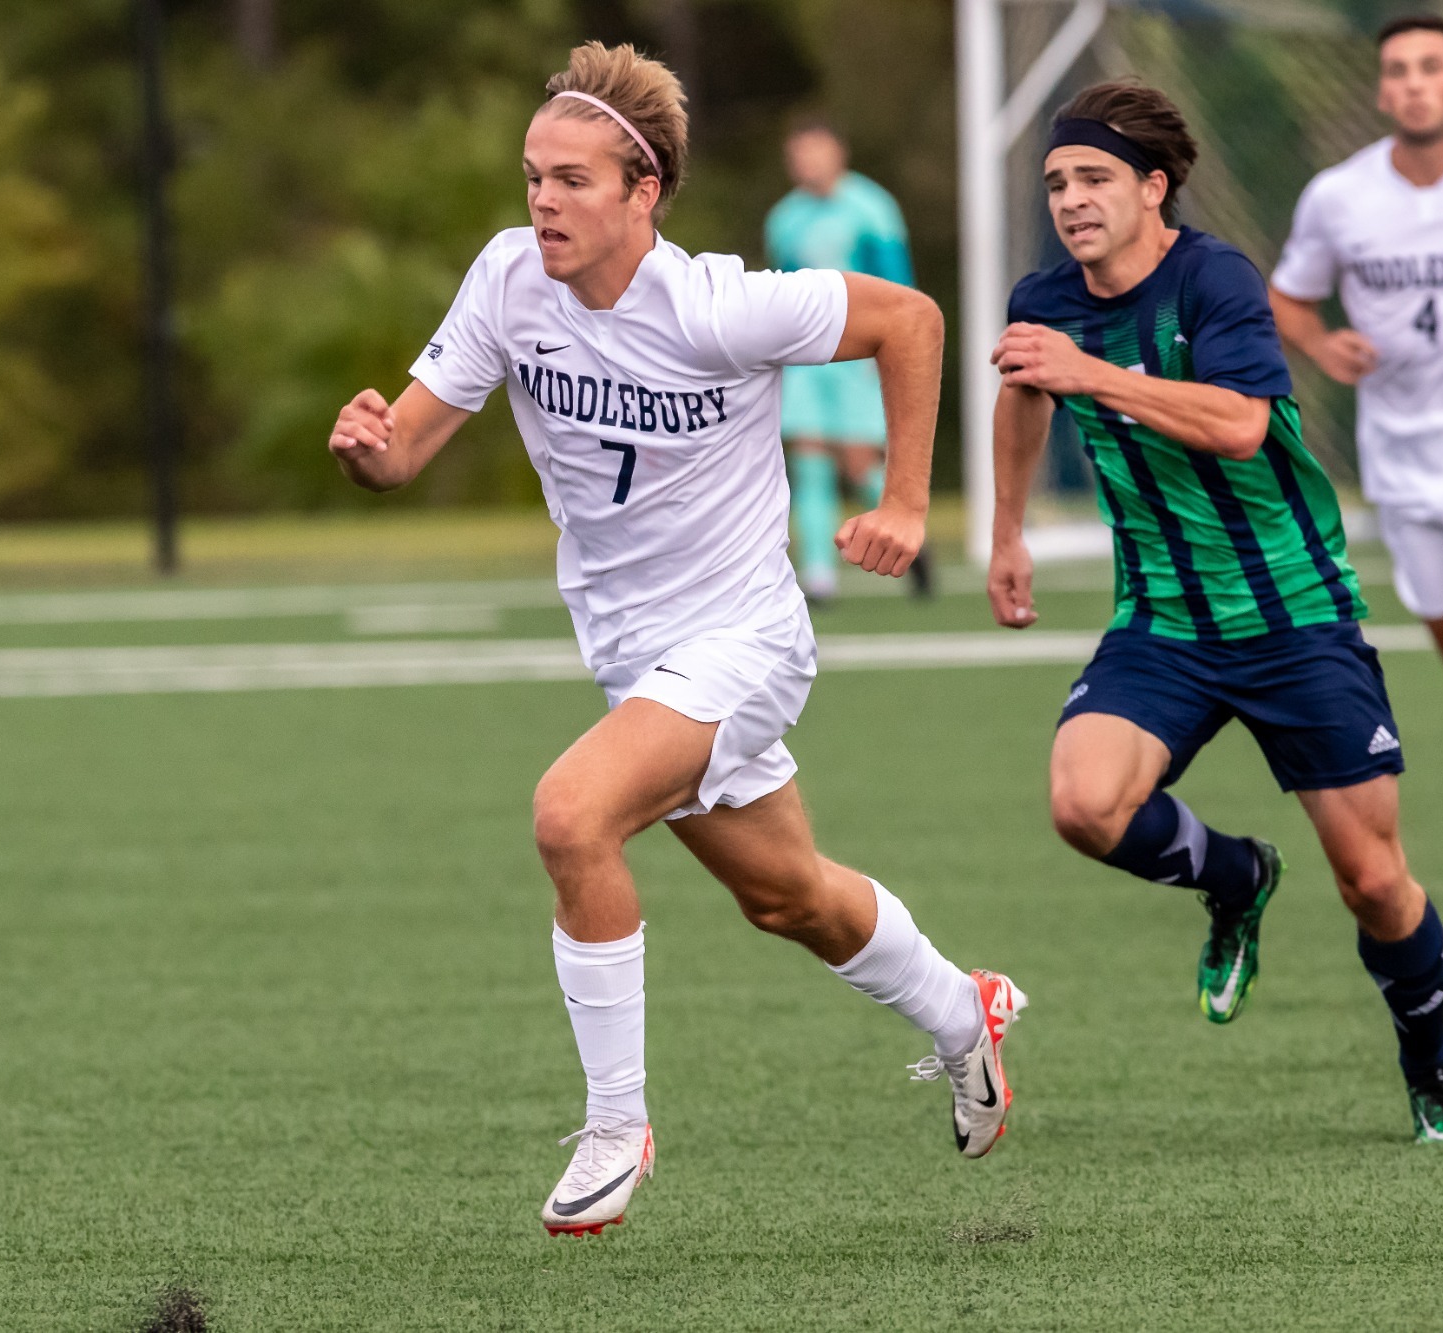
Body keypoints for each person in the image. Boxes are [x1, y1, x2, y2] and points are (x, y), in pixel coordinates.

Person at [328, 41, 1027, 1237]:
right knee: (788, 898)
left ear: (642, 191)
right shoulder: (506, 280)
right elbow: (406, 448)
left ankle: (616, 1124)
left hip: (744, 640)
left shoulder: (719, 303)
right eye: (533, 175)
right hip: (631, 660)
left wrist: (906, 503)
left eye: (573, 180)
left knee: (569, 813)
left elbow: (909, 320)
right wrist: (370, 450)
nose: (541, 199)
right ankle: (965, 1013)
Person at [988, 79, 1443, 1142]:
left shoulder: (1213, 279)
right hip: (1162, 620)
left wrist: (1093, 373)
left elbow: (1241, 425)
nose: (1069, 200)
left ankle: (1427, 1060)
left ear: (1152, 187)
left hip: (1294, 618)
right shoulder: (1042, 300)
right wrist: (1007, 530)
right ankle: (1236, 875)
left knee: (1372, 882)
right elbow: (1022, 388)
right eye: (1056, 183)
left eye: (1093, 179)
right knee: (1082, 806)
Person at [1268, 16, 1443, 932]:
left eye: (1432, 67)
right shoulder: (1340, 197)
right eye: (1398, 71)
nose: (1416, 83)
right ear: (1383, 91)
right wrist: (1321, 340)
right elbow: (1288, 295)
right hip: (1404, 466)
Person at [765, 117, 932, 602]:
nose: (807, 162)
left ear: (838, 153)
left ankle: (909, 541)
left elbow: (899, 287)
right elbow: (779, 290)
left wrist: (891, 354)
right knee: (809, 457)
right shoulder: (785, 217)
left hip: (859, 354)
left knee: (860, 462)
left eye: (815, 151)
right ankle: (818, 574)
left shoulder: (872, 208)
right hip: (805, 357)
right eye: (798, 154)